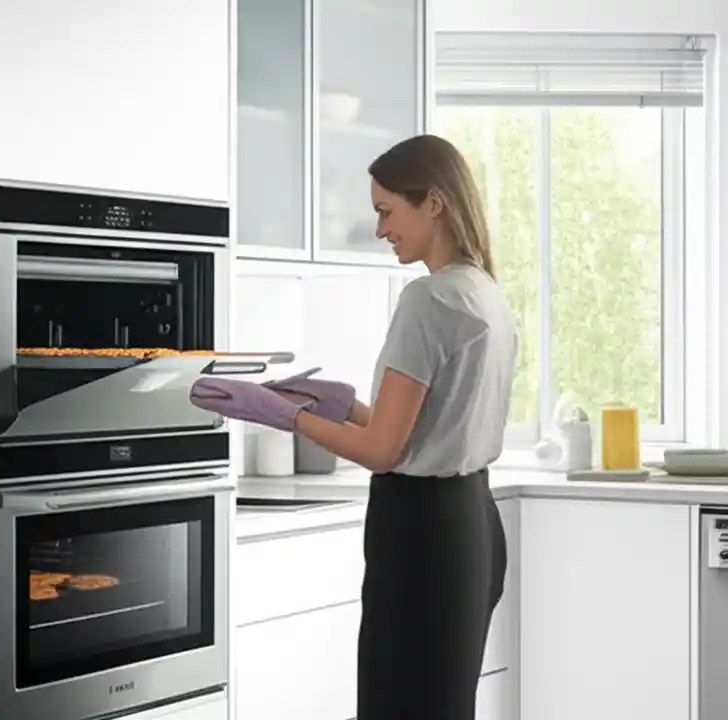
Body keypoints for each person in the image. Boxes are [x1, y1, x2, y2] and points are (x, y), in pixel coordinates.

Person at [190, 133, 515, 720]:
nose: (380, 229)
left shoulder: (428, 299)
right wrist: (346, 407)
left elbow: (384, 452)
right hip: (471, 526)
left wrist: (285, 415)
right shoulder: (484, 292)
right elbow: (428, 432)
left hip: (421, 534)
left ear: (433, 203)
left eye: (387, 211)